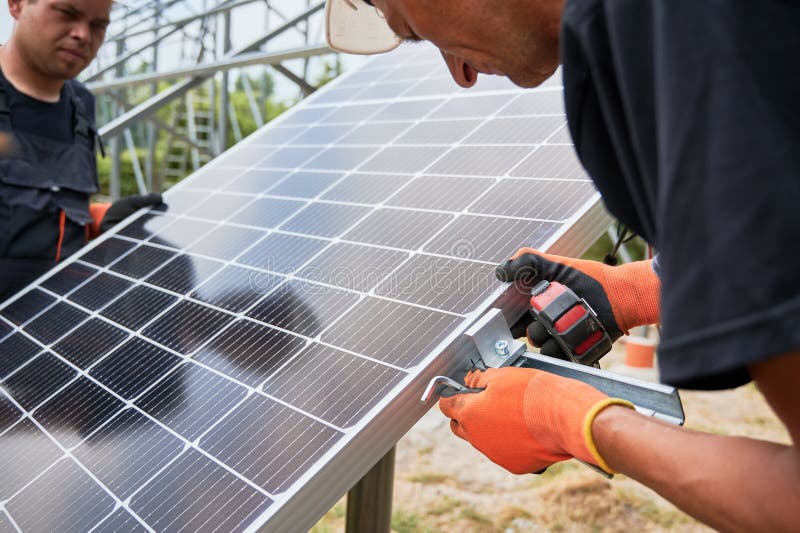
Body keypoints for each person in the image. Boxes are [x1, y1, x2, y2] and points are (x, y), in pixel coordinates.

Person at [325, 1, 800, 531]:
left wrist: (580, 424)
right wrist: (637, 290)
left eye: (413, 27)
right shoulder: (654, 36)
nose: (458, 75)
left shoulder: (677, 37)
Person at [0, 0, 162, 301]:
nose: (83, 35)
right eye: (67, 13)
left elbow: (46, 208)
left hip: (55, 324)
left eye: (98, 25)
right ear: (16, 4)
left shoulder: (80, 105)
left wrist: (102, 218)